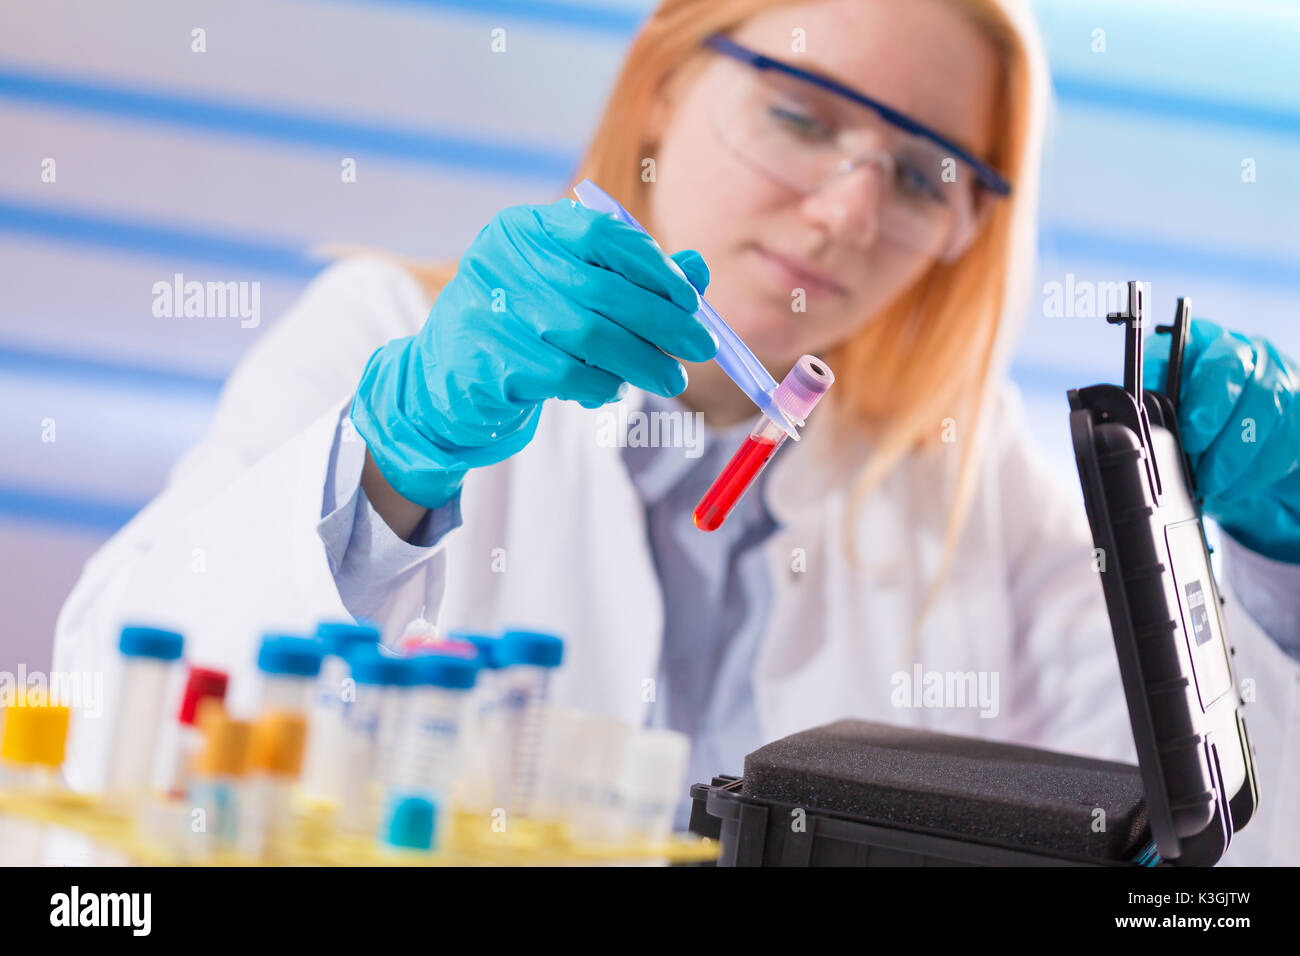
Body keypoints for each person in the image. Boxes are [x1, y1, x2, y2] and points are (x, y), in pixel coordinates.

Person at [55, 0, 1299, 861]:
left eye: (924, 174)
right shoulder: (385, 333)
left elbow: (1212, 863)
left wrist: (1276, 572)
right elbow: (113, 703)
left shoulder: (994, 501)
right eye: (804, 115)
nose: (849, 211)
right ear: (658, 92)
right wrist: (391, 456)